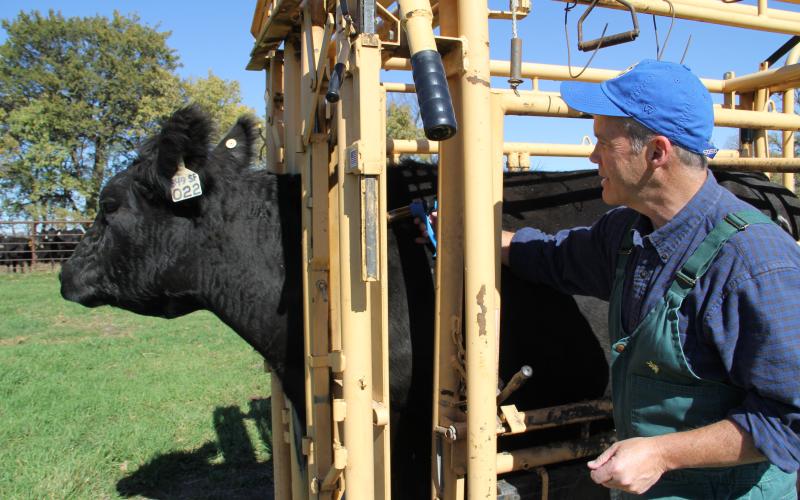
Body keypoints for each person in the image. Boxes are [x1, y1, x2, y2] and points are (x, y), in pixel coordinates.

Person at [497, 59, 800, 498]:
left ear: (657, 153)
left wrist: (663, 454)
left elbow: (791, 418)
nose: (591, 155)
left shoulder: (754, 262)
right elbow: (553, 257)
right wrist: (469, 233)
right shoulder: (626, 232)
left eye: (603, 142)